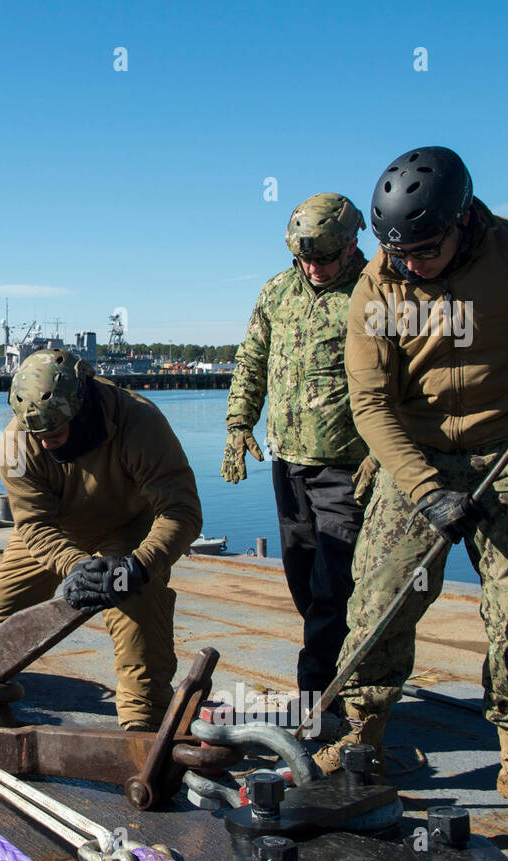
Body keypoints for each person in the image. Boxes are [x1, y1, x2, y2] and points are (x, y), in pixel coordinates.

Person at [315, 146, 508, 827]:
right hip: (413, 451)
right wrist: (422, 488)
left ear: (463, 219)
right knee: (381, 594)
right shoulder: (378, 286)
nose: (412, 263)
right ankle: (363, 736)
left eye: (426, 249)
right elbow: (370, 404)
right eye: (400, 251)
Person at [0, 349, 202, 731]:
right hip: (55, 531)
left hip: (127, 527)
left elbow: (181, 512)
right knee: (2, 608)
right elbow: (32, 523)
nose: (46, 444)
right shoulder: (18, 440)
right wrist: (76, 566)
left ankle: (144, 727)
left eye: (55, 432)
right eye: (38, 435)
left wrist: (140, 565)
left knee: (137, 609)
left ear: (81, 408)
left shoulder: (139, 422)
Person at [223, 193, 370, 716]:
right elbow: (251, 359)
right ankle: (340, 666)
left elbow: (405, 380)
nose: (313, 267)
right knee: (302, 576)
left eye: (324, 257)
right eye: (304, 257)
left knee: (336, 582)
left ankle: (319, 696)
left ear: (353, 243)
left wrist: (387, 451)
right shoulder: (278, 291)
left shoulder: (376, 295)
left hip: (350, 466)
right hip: (288, 463)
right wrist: (239, 421)